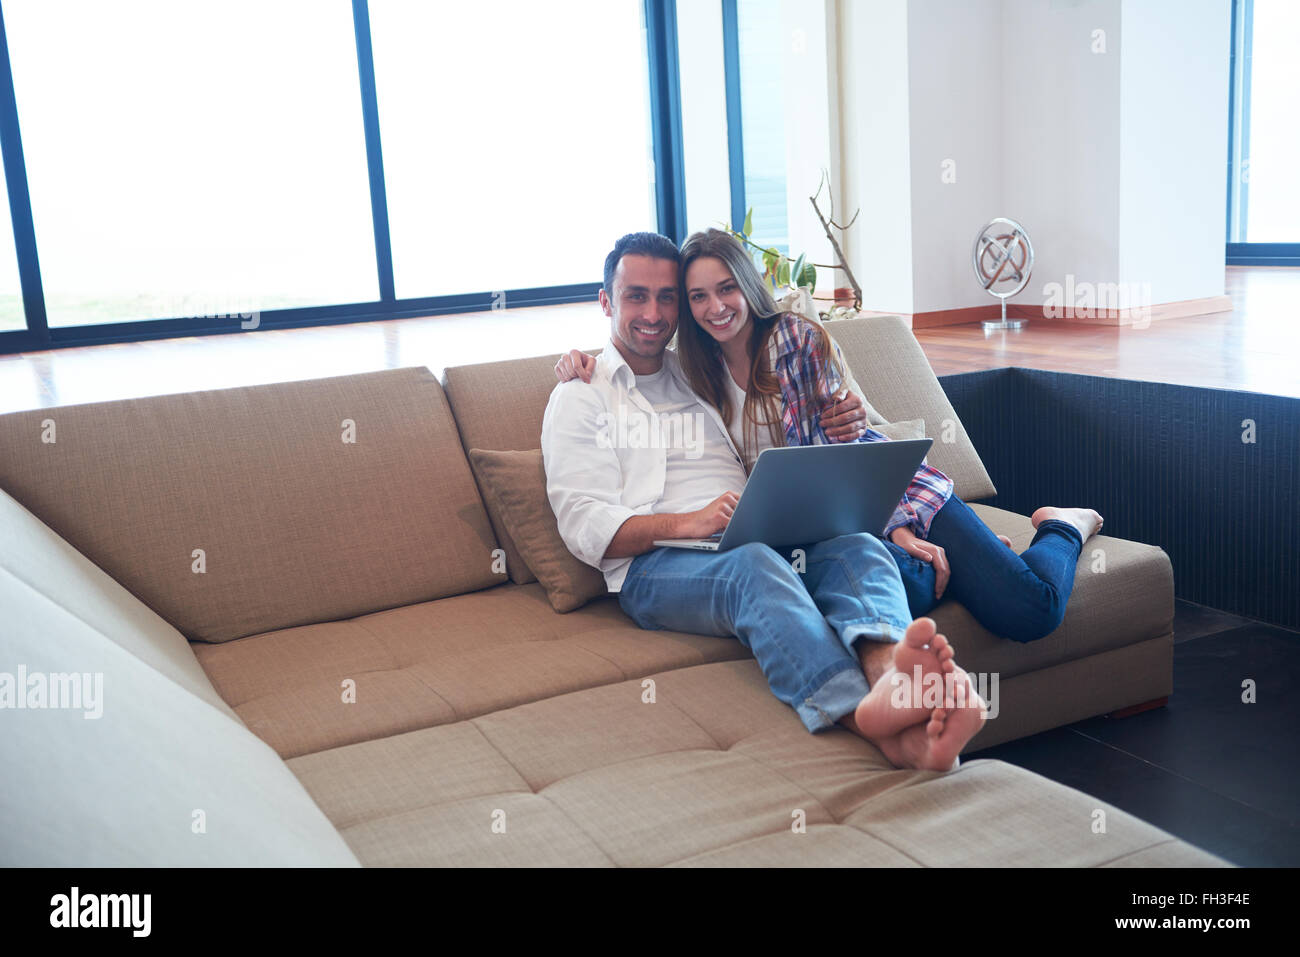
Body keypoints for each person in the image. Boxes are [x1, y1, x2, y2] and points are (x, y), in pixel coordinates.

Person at [542, 231, 986, 773]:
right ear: (606, 302)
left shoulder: (696, 371)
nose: (653, 313)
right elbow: (583, 526)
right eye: (636, 296)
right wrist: (688, 524)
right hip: (655, 568)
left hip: (758, 532)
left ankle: (894, 683)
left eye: (667, 297)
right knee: (751, 567)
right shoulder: (582, 393)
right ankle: (856, 711)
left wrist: (847, 413)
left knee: (856, 546)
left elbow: (785, 374)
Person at [556, 228, 1104, 645]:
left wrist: (896, 530)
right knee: (889, 588)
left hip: (890, 494)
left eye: (725, 289)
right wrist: (580, 360)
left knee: (1030, 612)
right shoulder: (691, 370)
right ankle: (968, 561)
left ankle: (1061, 527)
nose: (713, 307)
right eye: (696, 296)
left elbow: (826, 463)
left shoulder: (793, 341)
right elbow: (630, 355)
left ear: (748, 286)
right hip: (827, 526)